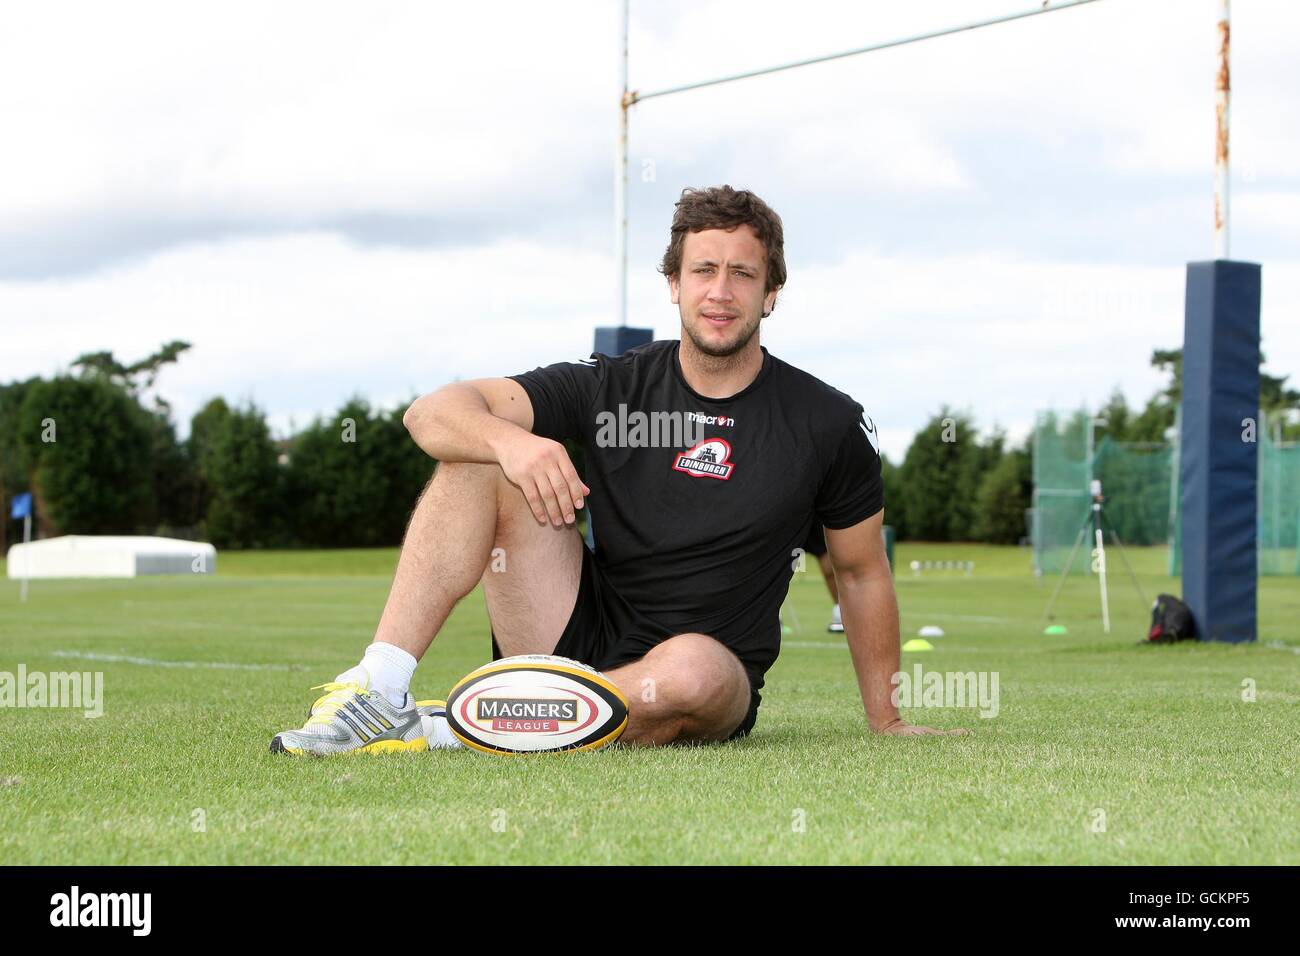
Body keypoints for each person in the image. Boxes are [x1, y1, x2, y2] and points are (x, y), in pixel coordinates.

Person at [271, 185, 965, 755]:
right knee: (480, 455)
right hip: (567, 636)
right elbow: (432, 414)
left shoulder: (826, 422)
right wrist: (515, 444)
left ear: (771, 292)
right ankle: (382, 689)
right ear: (673, 284)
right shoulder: (614, 385)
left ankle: (470, 724)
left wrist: (889, 718)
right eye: (703, 270)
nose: (720, 291)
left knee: (691, 670)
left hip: (707, 665)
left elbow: (860, 571)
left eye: (742, 274)